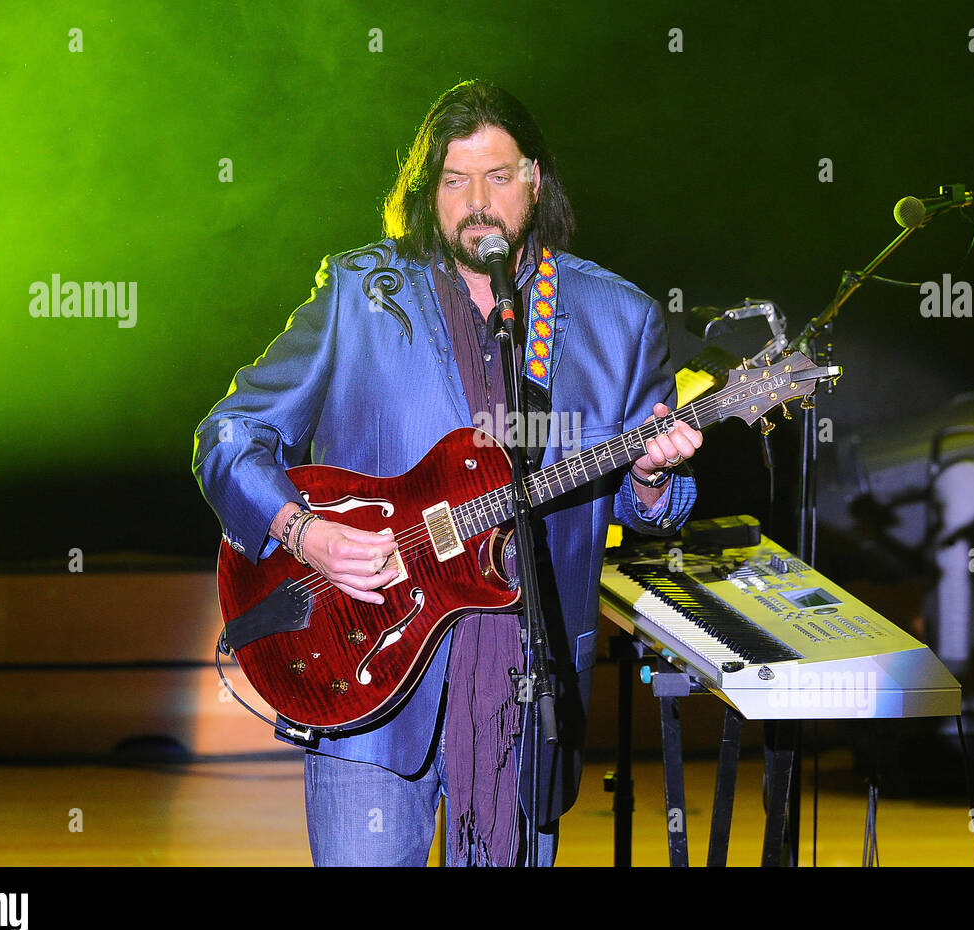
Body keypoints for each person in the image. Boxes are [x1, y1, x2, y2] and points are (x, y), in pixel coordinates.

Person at [192, 80, 702, 866]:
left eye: (498, 177)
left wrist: (653, 479)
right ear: (427, 190)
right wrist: (304, 530)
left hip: (527, 700)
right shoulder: (362, 294)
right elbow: (230, 433)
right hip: (363, 676)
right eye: (455, 180)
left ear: (537, 179)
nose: (477, 202)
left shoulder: (617, 319)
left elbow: (652, 511)